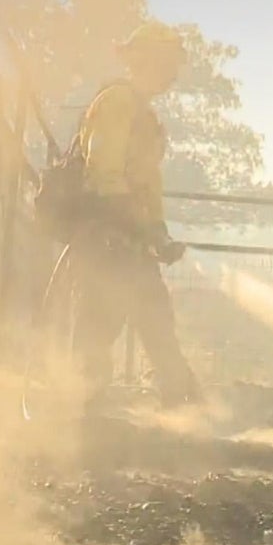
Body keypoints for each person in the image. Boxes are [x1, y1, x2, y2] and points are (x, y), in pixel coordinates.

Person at [71, 21, 197, 409]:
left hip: (132, 241)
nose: (173, 73)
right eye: (167, 62)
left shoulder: (144, 113)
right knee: (99, 328)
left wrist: (157, 232)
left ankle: (185, 415)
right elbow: (103, 174)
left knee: (157, 324)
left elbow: (148, 184)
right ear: (146, 60)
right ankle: (82, 421)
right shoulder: (117, 102)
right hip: (107, 240)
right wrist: (137, 225)